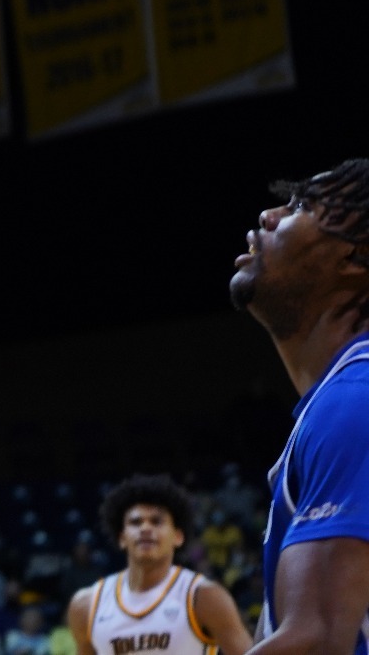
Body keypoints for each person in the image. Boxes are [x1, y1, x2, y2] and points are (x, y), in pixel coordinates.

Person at [229, 161, 369, 655]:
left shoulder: (357, 399)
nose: (268, 215)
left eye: (302, 207)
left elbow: (316, 644)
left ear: (354, 259)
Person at [66, 475, 249, 655]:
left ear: (178, 536)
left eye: (156, 521)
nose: (145, 528)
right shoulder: (87, 605)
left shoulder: (204, 596)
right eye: (136, 522)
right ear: (122, 537)